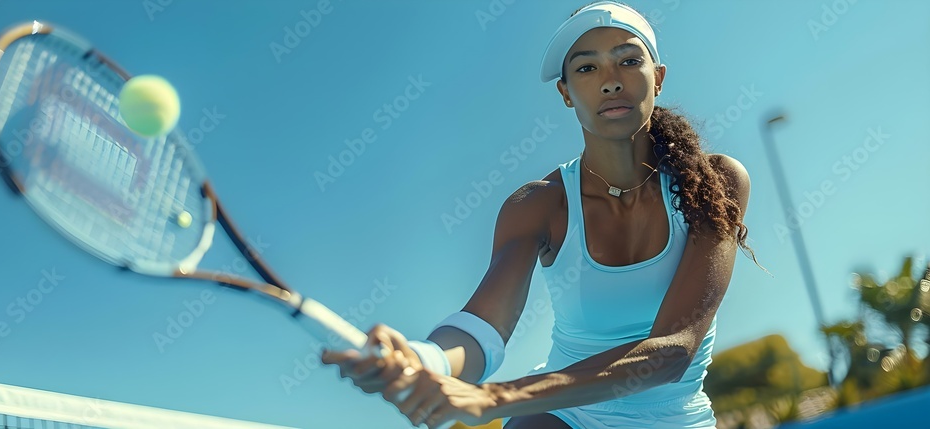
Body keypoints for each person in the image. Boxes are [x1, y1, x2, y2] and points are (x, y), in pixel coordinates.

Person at [323, 2, 761, 428]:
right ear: (566, 93)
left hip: (676, 417)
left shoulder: (715, 181)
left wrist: (496, 397)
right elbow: (484, 328)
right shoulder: (537, 204)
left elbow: (673, 350)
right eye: (587, 68)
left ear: (658, 78)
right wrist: (423, 360)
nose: (610, 82)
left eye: (628, 60)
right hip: (563, 411)